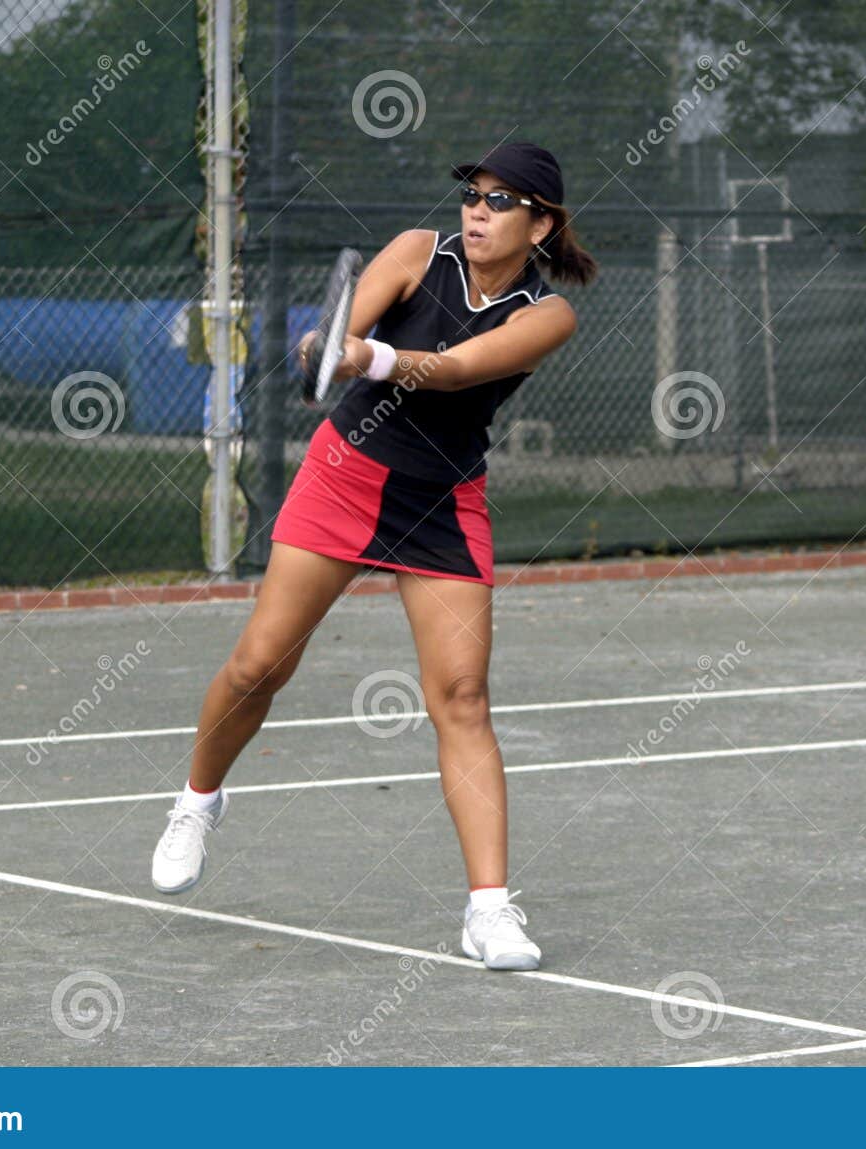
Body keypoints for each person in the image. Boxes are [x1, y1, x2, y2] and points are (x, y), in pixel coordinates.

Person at [149, 142, 595, 971]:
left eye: (502, 201)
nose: (478, 209)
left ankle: (489, 912)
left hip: (443, 502)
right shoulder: (416, 251)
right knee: (258, 665)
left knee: (462, 696)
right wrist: (329, 344)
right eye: (473, 191)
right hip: (345, 474)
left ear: (542, 224)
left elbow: (460, 370)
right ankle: (196, 801)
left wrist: (370, 357)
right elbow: (337, 336)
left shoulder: (547, 315)